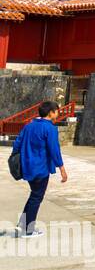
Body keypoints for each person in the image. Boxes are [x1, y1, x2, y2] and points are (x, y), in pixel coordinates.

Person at [10, 100, 67, 237]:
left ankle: (23, 225)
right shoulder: (50, 128)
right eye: (56, 111)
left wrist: (16, 159)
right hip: (40, 168)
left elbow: (17, 144)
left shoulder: (29, 126)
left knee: (34, 195)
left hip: (27, 166)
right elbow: (54, 150)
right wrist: (62, 168)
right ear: (51, 112)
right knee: (36, 197)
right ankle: (27, 230)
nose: (57, 113)